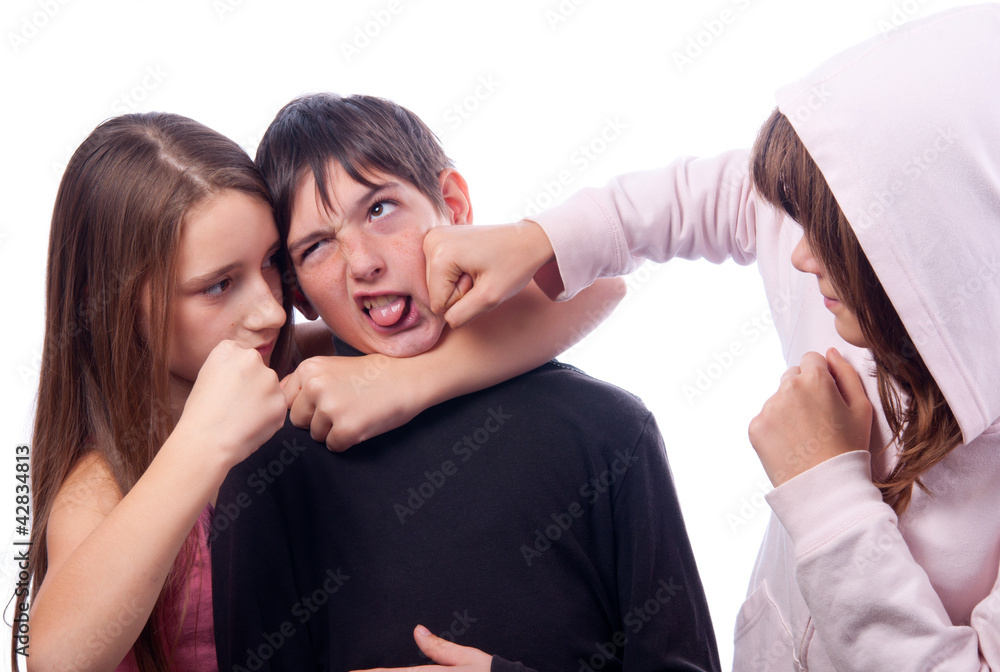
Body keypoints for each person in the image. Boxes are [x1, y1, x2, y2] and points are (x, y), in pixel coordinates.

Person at [420, 4, 1000, 670]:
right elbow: (729, 193)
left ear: (937, 246)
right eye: (799, 219)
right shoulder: (843, 254)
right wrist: (541, 239)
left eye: (833, 238)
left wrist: (826, 492)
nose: (799, 257)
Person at [19, 111, 633, 672]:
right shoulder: (100, 483)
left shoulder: (289, 366)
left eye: (269, 265)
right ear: (129, 311)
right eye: (218, 285)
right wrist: (201, 445)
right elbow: (56, 660)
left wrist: (411, 381)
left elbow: (594, 285)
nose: (267, 310)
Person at [211, 93, 721, 672]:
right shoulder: (270, 470)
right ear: (296, 291)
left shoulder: (607, 432)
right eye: (318, 246)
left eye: (379, 210)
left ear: (452, 204)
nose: (362, 263)